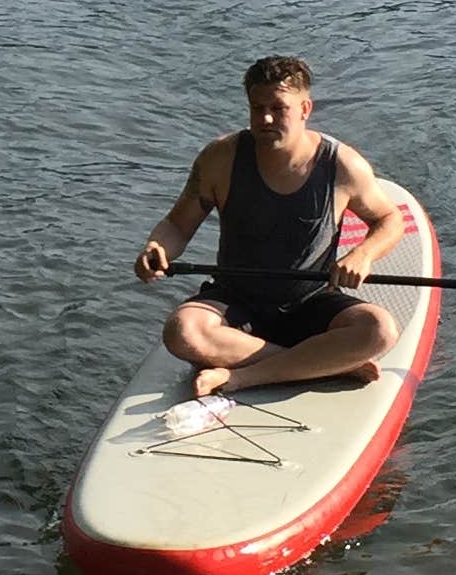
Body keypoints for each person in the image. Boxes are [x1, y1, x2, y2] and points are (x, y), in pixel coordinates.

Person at [135, 56, 410, 399]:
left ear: (305, 108)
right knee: (182, 332)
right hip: (237, 300)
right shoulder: (220, 158)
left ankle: (243, 377)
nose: (265, 119)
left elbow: (389, 219)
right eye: (256, 108)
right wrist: (156, 248)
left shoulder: (342, 165)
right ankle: (323, 363)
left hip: (310, 301)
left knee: (379, 330)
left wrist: (364, 254)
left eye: (278, 109)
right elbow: (177, 225)